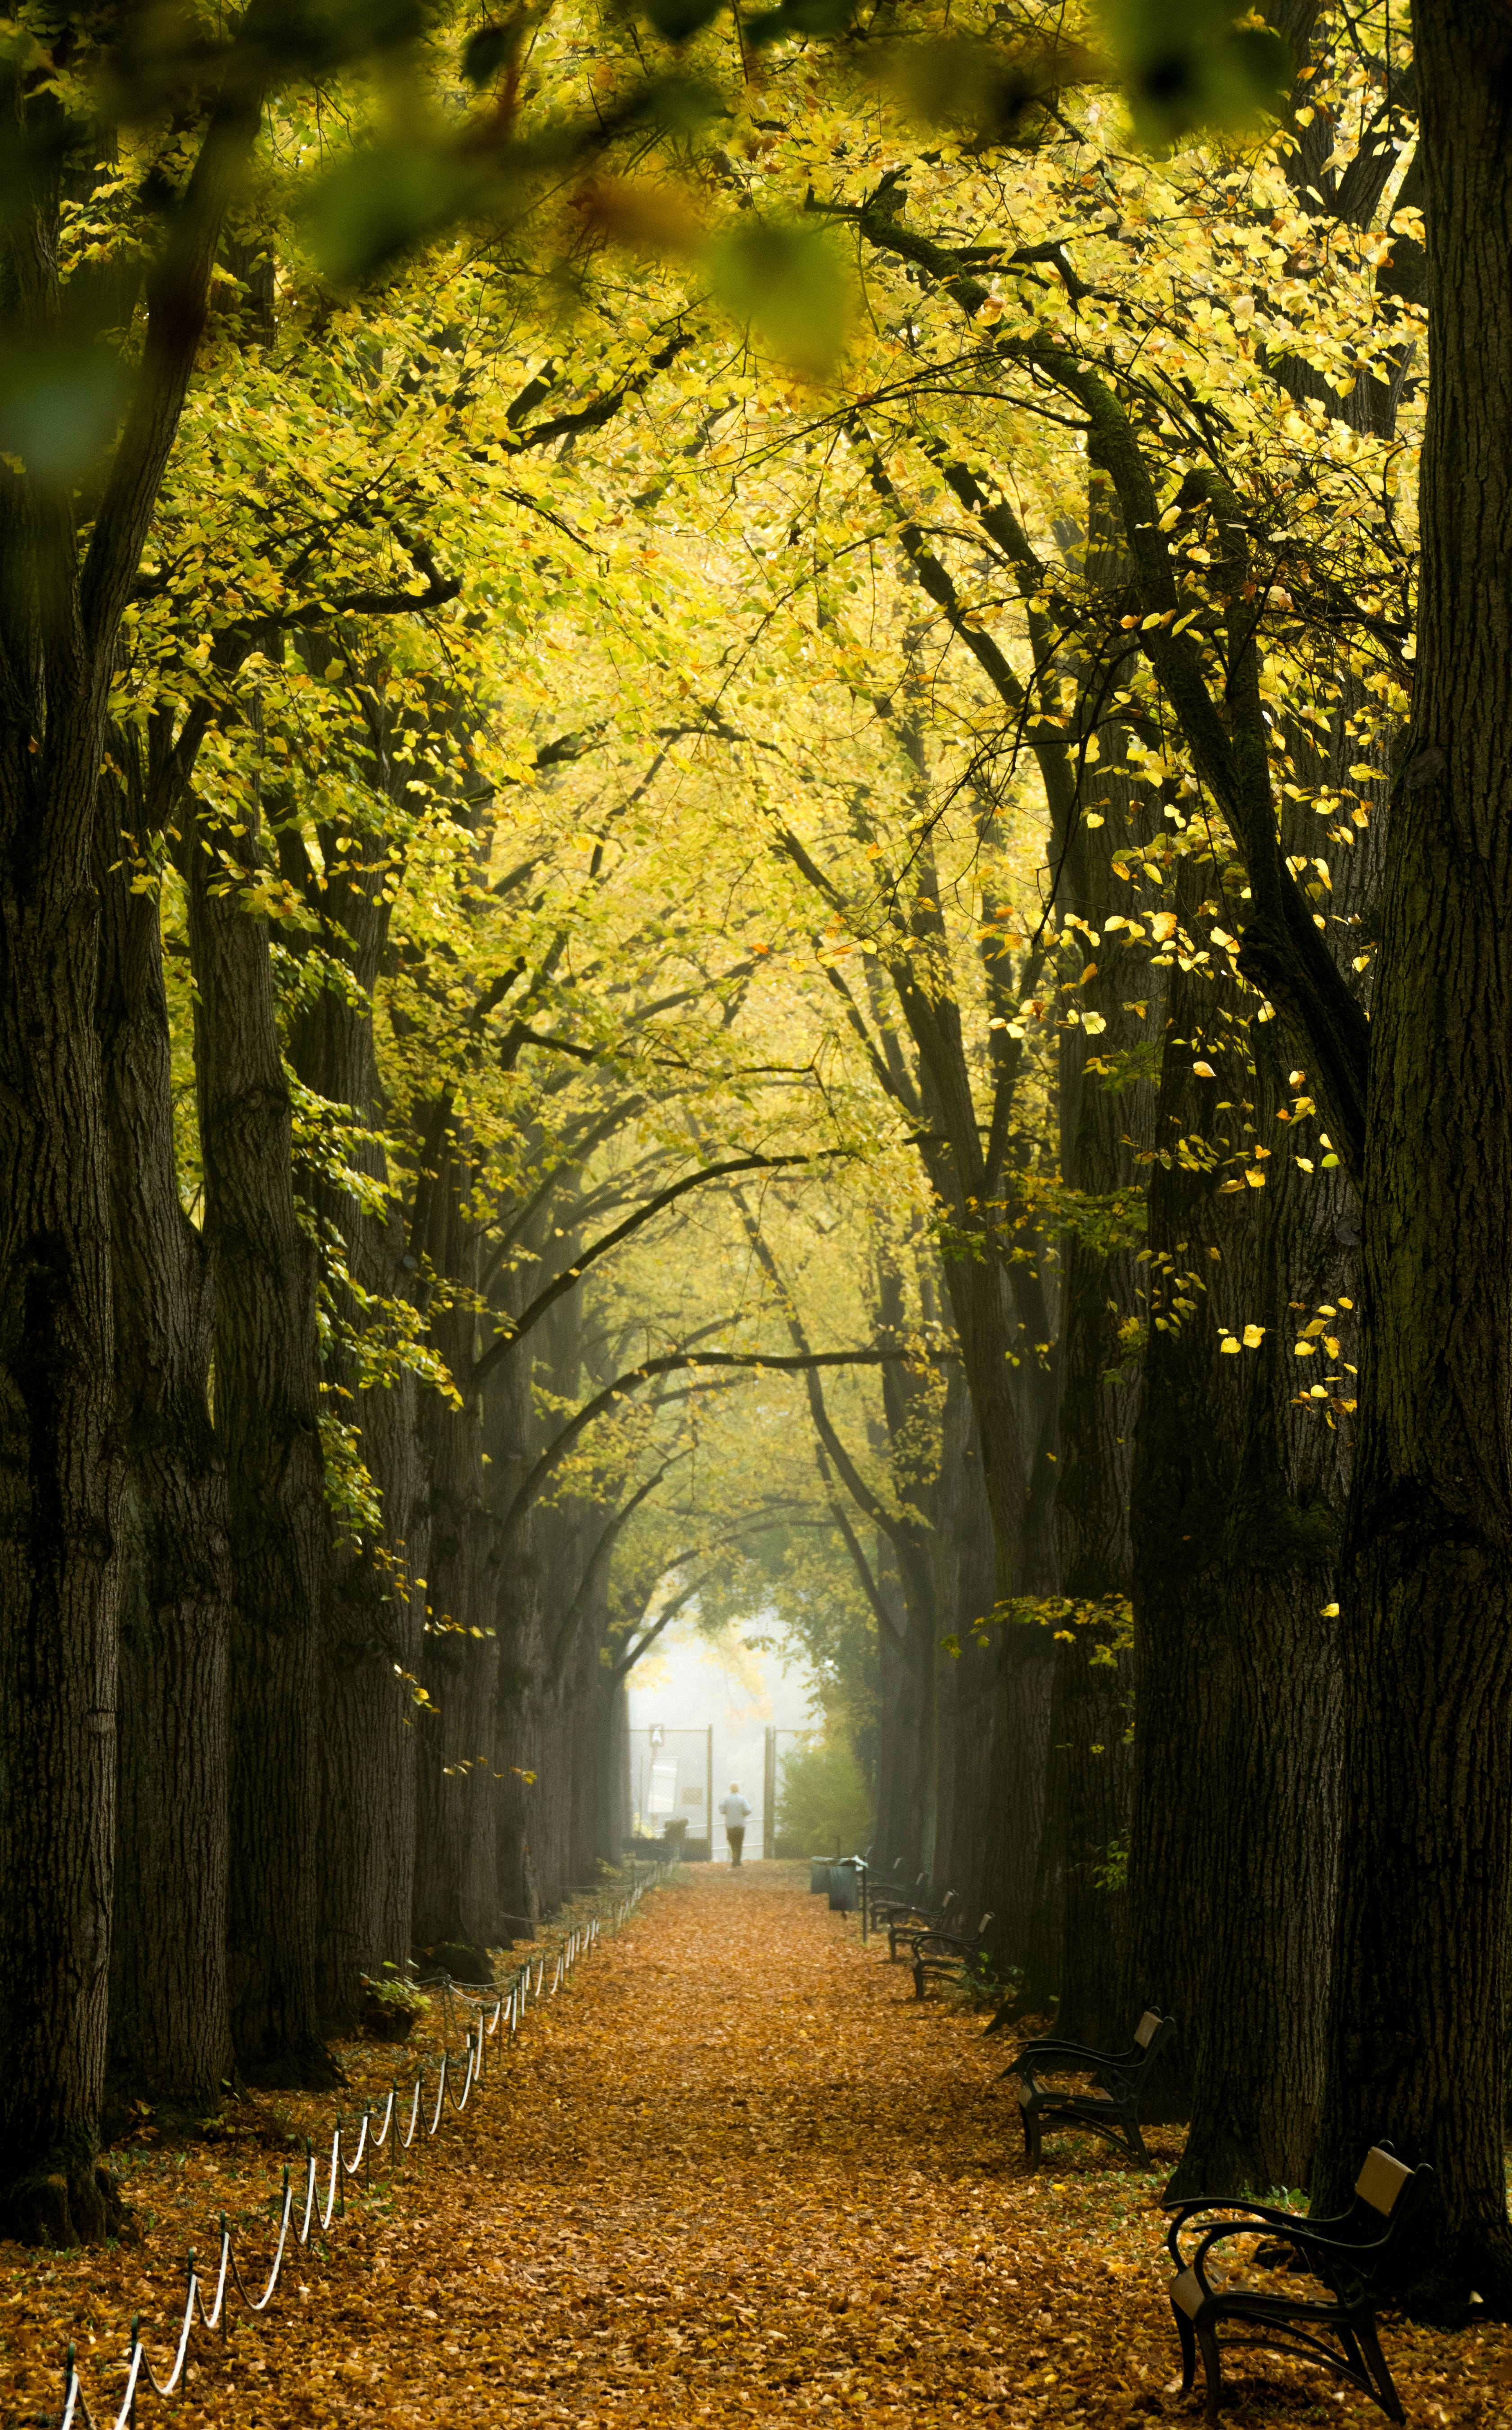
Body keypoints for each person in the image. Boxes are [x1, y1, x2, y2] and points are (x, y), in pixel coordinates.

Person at [720, 1782, 751, 1867]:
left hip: (730, 1825)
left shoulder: (726, 1799)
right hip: (741, 1825)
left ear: (730, 1789)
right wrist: (743, 1814)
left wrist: (728, 1812)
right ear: (739, 1789)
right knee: (739, 1842)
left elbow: (722, 1810)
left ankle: (734, 1856)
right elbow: (748, 1810)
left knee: (732, 1842)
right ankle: (738, 1860)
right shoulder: (742, 1799)